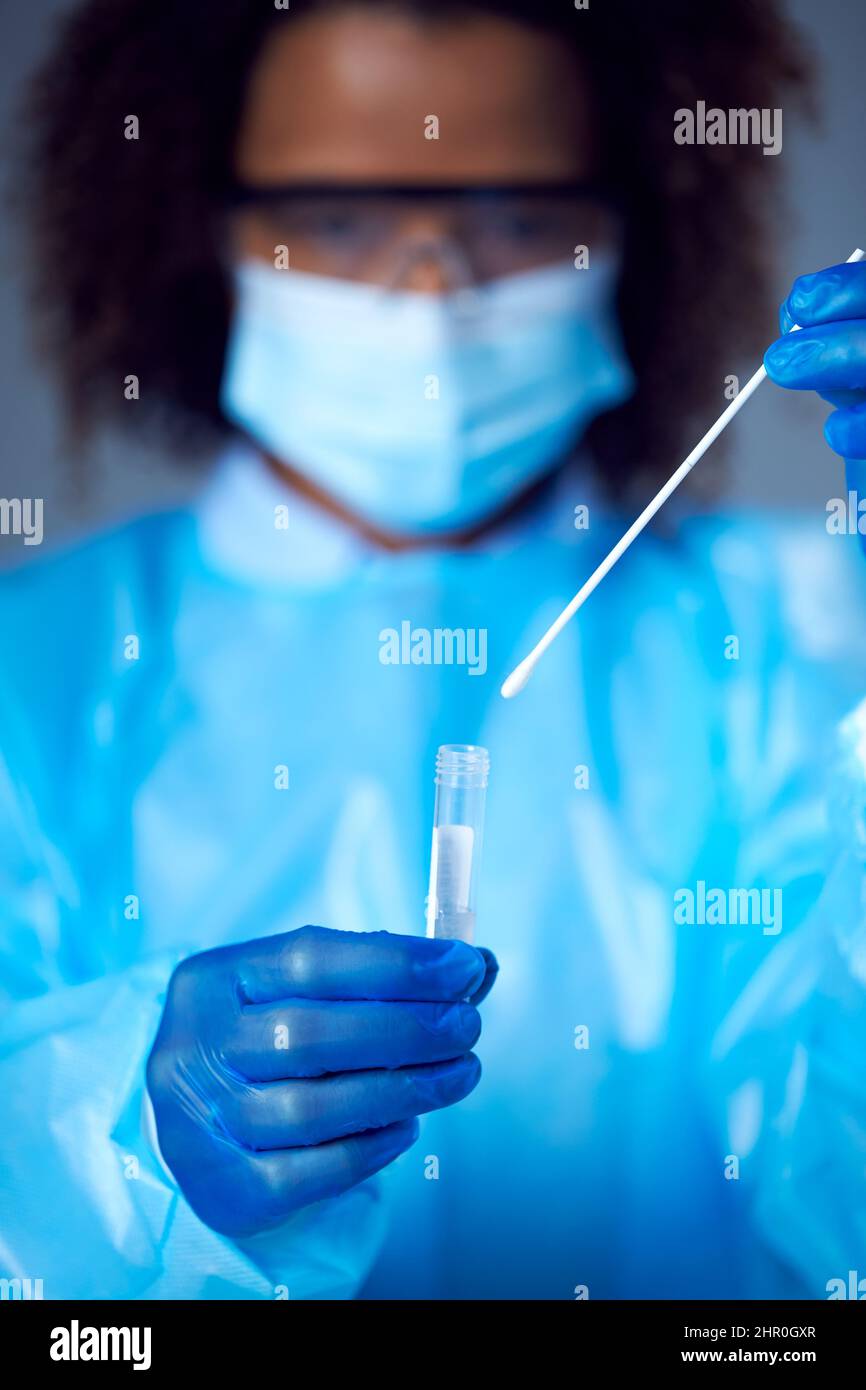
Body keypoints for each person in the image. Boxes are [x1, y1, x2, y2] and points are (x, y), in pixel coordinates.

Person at [2, 0, 865, 1300]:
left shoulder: (809, 630)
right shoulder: (36, 667)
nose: (425, 281)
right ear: (206, 227)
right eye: (339, 219)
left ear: (628, 232)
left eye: (514, 216)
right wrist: (121, 1139)